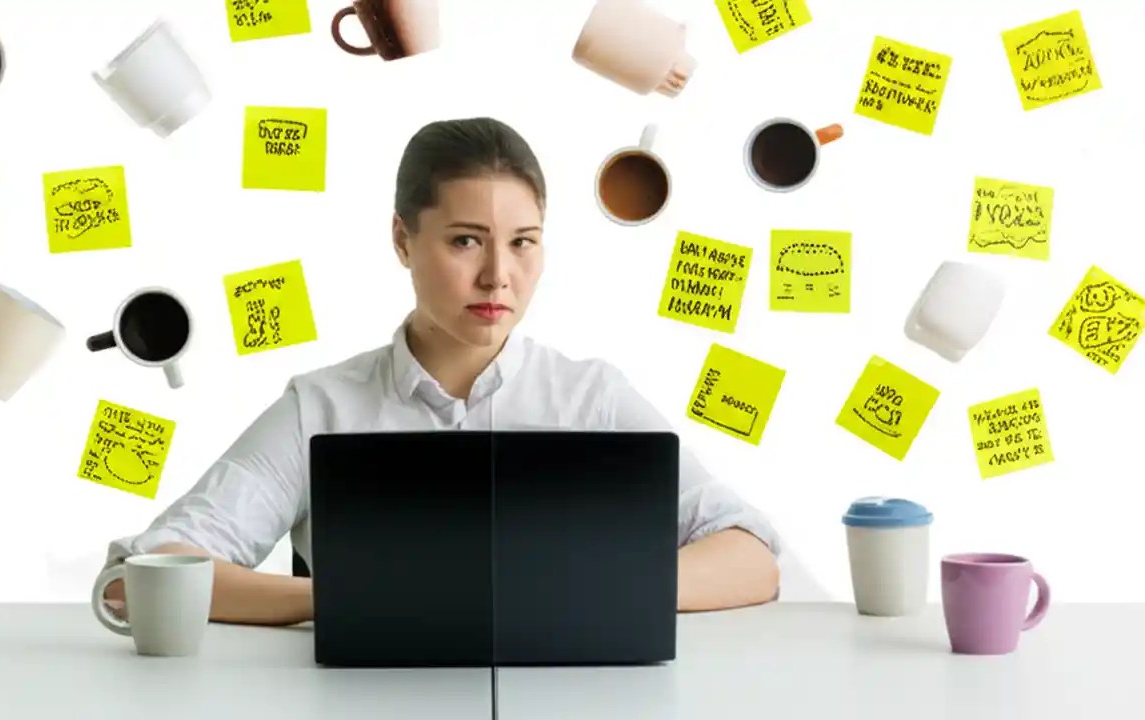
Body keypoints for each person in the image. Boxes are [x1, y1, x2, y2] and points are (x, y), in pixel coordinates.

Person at [98, 117, 782, 626]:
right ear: (403, 239)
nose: (498, 275)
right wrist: (348, 603)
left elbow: (751, 558)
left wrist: (575, 588)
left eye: (523, 243)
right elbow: (139, 577)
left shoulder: (592, 398)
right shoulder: (324, 408)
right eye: (465, 241)